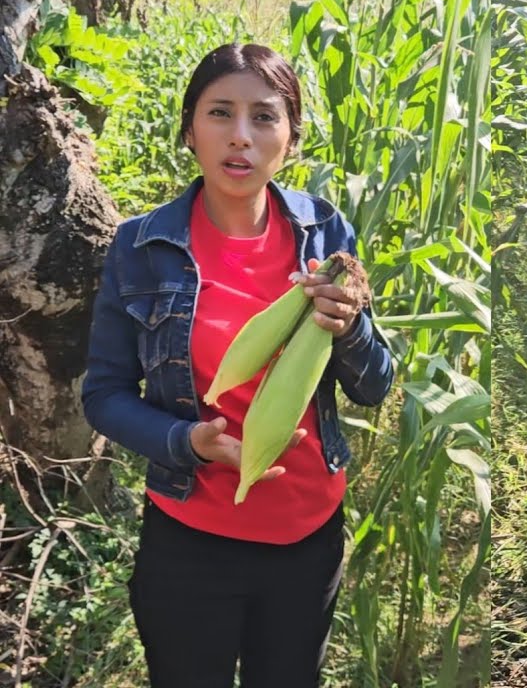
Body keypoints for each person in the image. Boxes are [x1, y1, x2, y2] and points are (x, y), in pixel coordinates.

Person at [81, 43, 394, 687]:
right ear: (189, 127)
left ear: (293, 137)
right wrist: (185, 441)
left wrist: (351, 326)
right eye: (220, 112)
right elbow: (105, 394)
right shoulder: (142, 247)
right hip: (190, 538)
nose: (241, 137)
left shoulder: (327, 236)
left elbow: (374, 386)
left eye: (265, 116)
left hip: (308, 539)